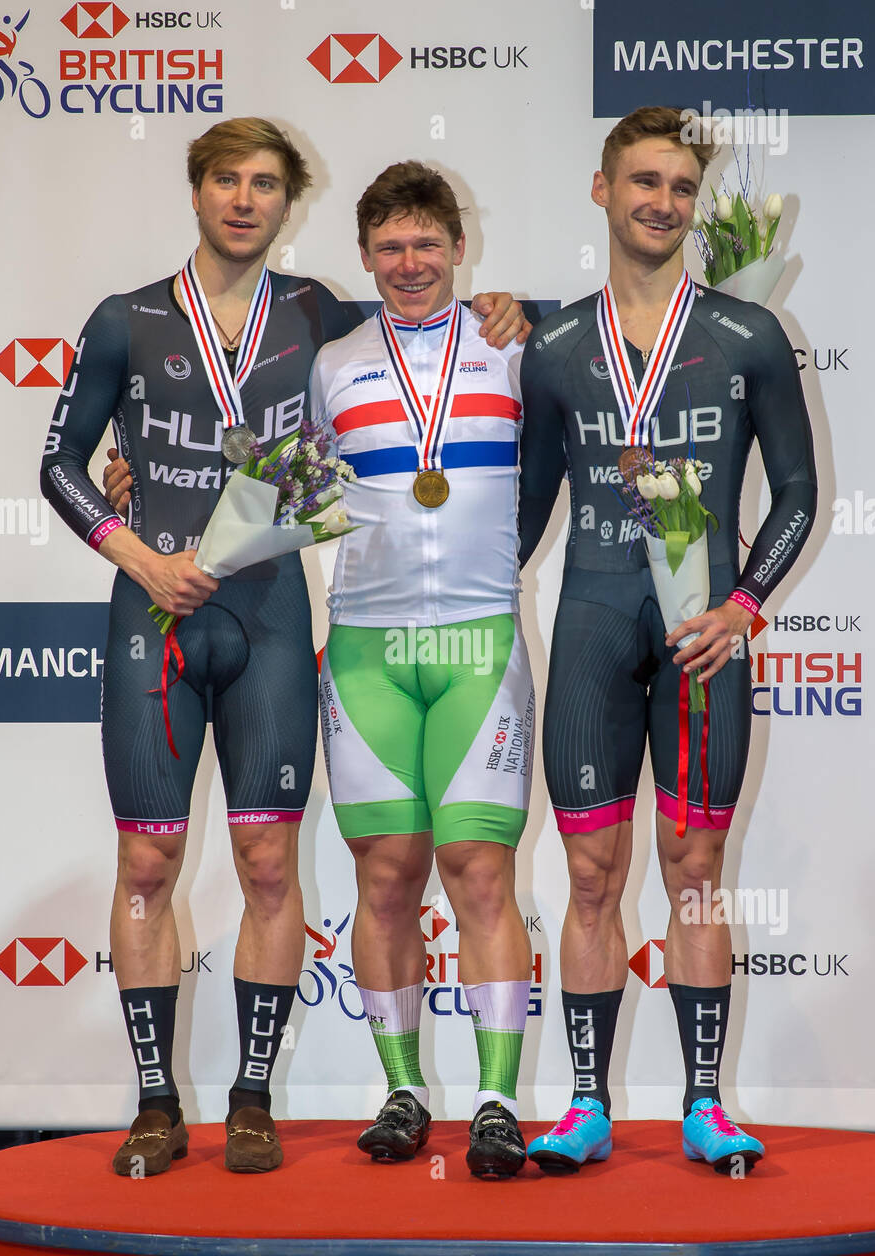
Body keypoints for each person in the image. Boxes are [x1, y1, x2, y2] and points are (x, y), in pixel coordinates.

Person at [42, 117, 526, 1178]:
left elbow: (426, 330)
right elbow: (61, 464)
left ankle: (251, 1100)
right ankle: (156, 1103)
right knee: (146, 860)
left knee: (268, 860)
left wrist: (508, 309)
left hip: (268, 619)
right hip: (156, 616)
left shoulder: (318, 314)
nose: (246, 199)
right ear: (198, 191)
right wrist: (137, 552)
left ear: (289, 202)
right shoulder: (125, 320)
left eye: (266, 183)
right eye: (228, 180)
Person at [518, 106, 817, 1174]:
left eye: (681, 189)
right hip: (595, 621)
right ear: (602, 190)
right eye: (643, 182)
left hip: (704, 639)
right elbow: (522, 512)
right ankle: (587, 1106)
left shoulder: (747, 337)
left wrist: (742, 608)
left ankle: (703, 1105)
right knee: (591, 874)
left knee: (694, 868)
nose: (662, 203)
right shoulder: (553, 348)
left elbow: (795, 493)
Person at [310, 162, 535, 1178]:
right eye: (390, 248)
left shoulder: (511, 343)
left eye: (427, 244)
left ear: (458, 246)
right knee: (386, 875)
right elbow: (286, 489)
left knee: (479, 871)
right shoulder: (334, 364)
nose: (409, 264)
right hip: (366, 645)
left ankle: (495, 1099)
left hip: (478, 640)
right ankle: (401, 1089)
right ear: (364, 256)